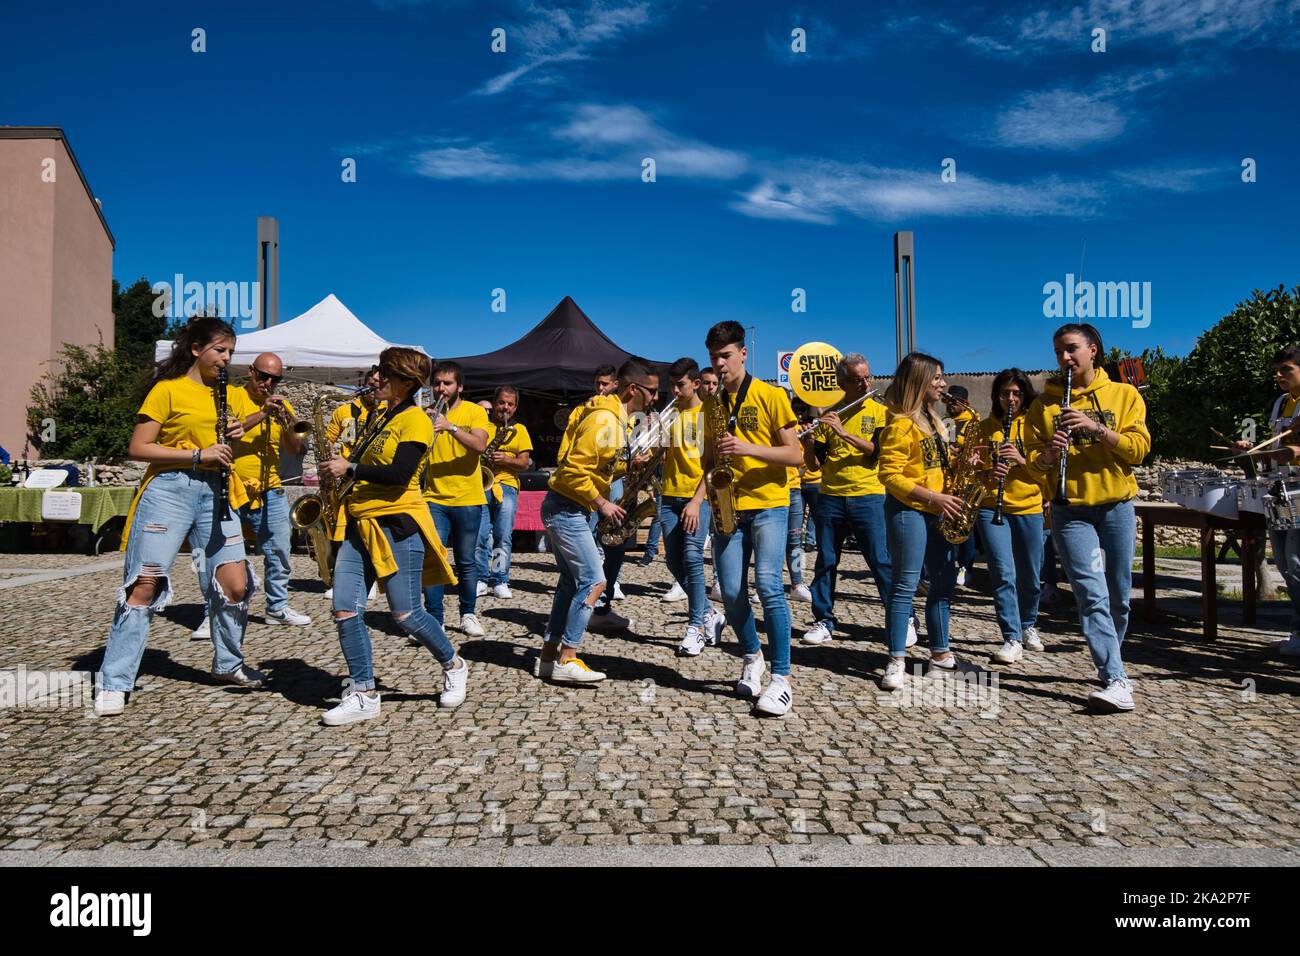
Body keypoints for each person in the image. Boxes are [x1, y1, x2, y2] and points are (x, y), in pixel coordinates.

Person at [93, 317, 261, 717]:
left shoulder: (231, 395)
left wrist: (237, 431)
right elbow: (138, 447)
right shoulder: (167, 390)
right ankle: (114, 681)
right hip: (169, 489)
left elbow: (234, 432)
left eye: (231, 353)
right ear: (196, 349)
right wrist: (196, 455)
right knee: (145, 584)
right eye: (221, 350)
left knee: (235, 586)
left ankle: (227, 663)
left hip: (216, 493)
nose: (226, 359)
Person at [318, 347, 469, 725]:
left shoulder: (415, 420)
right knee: (345, 607)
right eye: (377, 372)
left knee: (406, 614)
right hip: (360, 522)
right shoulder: (381, 417)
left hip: (397, 523)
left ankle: (454, 663)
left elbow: (400, 474)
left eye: (385, 374)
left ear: (405, 381)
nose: (376, 379)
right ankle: (364, 691)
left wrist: (349, 467)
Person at [1024, 323, 1150, 712]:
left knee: (1118, 596)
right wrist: (1048, 454)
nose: (1064, 358)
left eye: (1072, 349)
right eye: (1058, 351)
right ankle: (1115, 676)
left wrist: (1098, 430)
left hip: (1115, 506)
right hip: (1069, 509)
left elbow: (1138, 451)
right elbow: (1031, 466)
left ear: (1092, 350)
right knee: (1090, 593)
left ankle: (1112, 658)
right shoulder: (1043, 406)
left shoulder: (1124, 395)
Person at [701, 322, 804, 716]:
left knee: (768, 586)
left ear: (744, 353)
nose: (720, 364)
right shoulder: (711, 404)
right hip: (729, 504)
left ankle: (781, 680)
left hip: (769, 503)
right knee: (729, 591)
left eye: (725, 356)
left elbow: (796, 455)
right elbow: (709, 459)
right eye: (714, 357)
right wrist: (706, 483)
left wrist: (747, 448)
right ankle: (752, 655)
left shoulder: (770, 395)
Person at [536, 358, 659, 682]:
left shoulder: (614, 419)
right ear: (634, 389)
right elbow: (573, 469)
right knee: (595, 581)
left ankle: (548, 658)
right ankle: (569, 657)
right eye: (652, 392)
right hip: (567, 508)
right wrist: (602, 502)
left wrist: (627, 467)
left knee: (568, 584)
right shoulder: (605, 419)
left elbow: (596, 467)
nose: (655, 399)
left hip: (566, 507)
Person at [877, 351, 977, 691]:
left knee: (944, 580)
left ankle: (940, 654)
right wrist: (933, 497)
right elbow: (889, 475)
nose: (942, 384)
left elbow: (937, 462)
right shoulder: (899, 424)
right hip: (910, 509)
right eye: (936, 378)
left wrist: (963, 460)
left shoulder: (934, 421)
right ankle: (895, 660)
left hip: (938, 509)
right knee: (905, 584)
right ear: (919, 381)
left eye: (942, 377)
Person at [802, 353, 913, 647]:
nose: (865, 383)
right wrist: (809, 443)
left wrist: (843, 432)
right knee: (826, 561)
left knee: (880, 560)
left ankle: (903, 617)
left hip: (869, 495)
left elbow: (875, 450)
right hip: (831, 496)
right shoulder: (830, 414)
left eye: (868, 377)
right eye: (857, 379)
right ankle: (824, 619)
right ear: (842, 382)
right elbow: (815, 466)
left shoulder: (880, 412)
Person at [219, 352, 312, 631]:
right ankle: (218, 610)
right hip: (232, 485)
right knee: (224, 552)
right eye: (263, 376)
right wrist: (262, 413)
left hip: (269, 488)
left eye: (276, 379)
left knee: (280, 549)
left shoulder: (282, 406)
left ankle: (277, 607)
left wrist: (284, 422)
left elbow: (295, 449)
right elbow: (226, 431)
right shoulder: (231, 396)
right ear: (251, 372)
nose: (269, 383)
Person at [655, 357, 725, 656]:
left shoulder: (708, 414)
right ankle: (711, 613)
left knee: (692, 558)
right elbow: (665, 452)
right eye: (671, 385)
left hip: (697, 496)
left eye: (680, 385)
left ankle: (695, 626)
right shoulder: (670, 414)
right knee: (673, 562)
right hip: (668, 495)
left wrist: (697, 501)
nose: (674, 390)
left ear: (696, 384)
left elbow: (714, 465)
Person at [976, 369, 1045, 665]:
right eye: (1006, 393)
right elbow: (972, 472)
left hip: (1028, 506)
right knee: (1003, 573)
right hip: (992, 506)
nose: (1011, 399)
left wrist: (1022, 460)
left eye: (1017, 393)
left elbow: (1047, 471)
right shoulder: (984, 428)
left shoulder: (1035, 427)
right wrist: (989, 472)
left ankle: (1028, 624)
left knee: (1030, 574)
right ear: (997, 396)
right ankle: (1011, 636)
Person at [1234, 345, 1300, 655]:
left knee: (1297, 562)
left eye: (1286, 369)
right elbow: (1276, 448)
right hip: (1279, 488)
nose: (1278, 375)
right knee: (1286, 564)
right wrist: (1253, 449)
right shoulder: (1280, 404)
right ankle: (1296, 632)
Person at [322, 365, 385, 603]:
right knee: (341, 531)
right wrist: (328, 461)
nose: (372, 391)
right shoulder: (345, 411)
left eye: (376, 387)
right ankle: (341, 579)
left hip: (370, 477)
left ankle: (370, 580)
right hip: (344, 479)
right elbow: (328, 438)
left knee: (368, 531)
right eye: (369, 386)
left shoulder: (387, 412)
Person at [477, 386, 533, 599]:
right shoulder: (482, 425)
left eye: (510, 404)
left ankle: (500, 579)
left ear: (515, 407)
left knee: (503, 536)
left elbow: (525, 462)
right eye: (502, 403)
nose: (505, 408)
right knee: (481, 536)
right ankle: (481, 579)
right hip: (481, 485)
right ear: (494, 403)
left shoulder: (520, 429)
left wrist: (507, 459)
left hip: (507, 485)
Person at [944, 385, 978, 588]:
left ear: (965, 403)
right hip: (949, 480)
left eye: (955, 401)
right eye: (949, 401)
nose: (950, 405)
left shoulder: (973, 422)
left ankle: (966, 566)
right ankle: (950, 563)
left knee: (965, 526)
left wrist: (960, 451)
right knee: (949, 526)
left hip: (966, 481)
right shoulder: (947, 422)